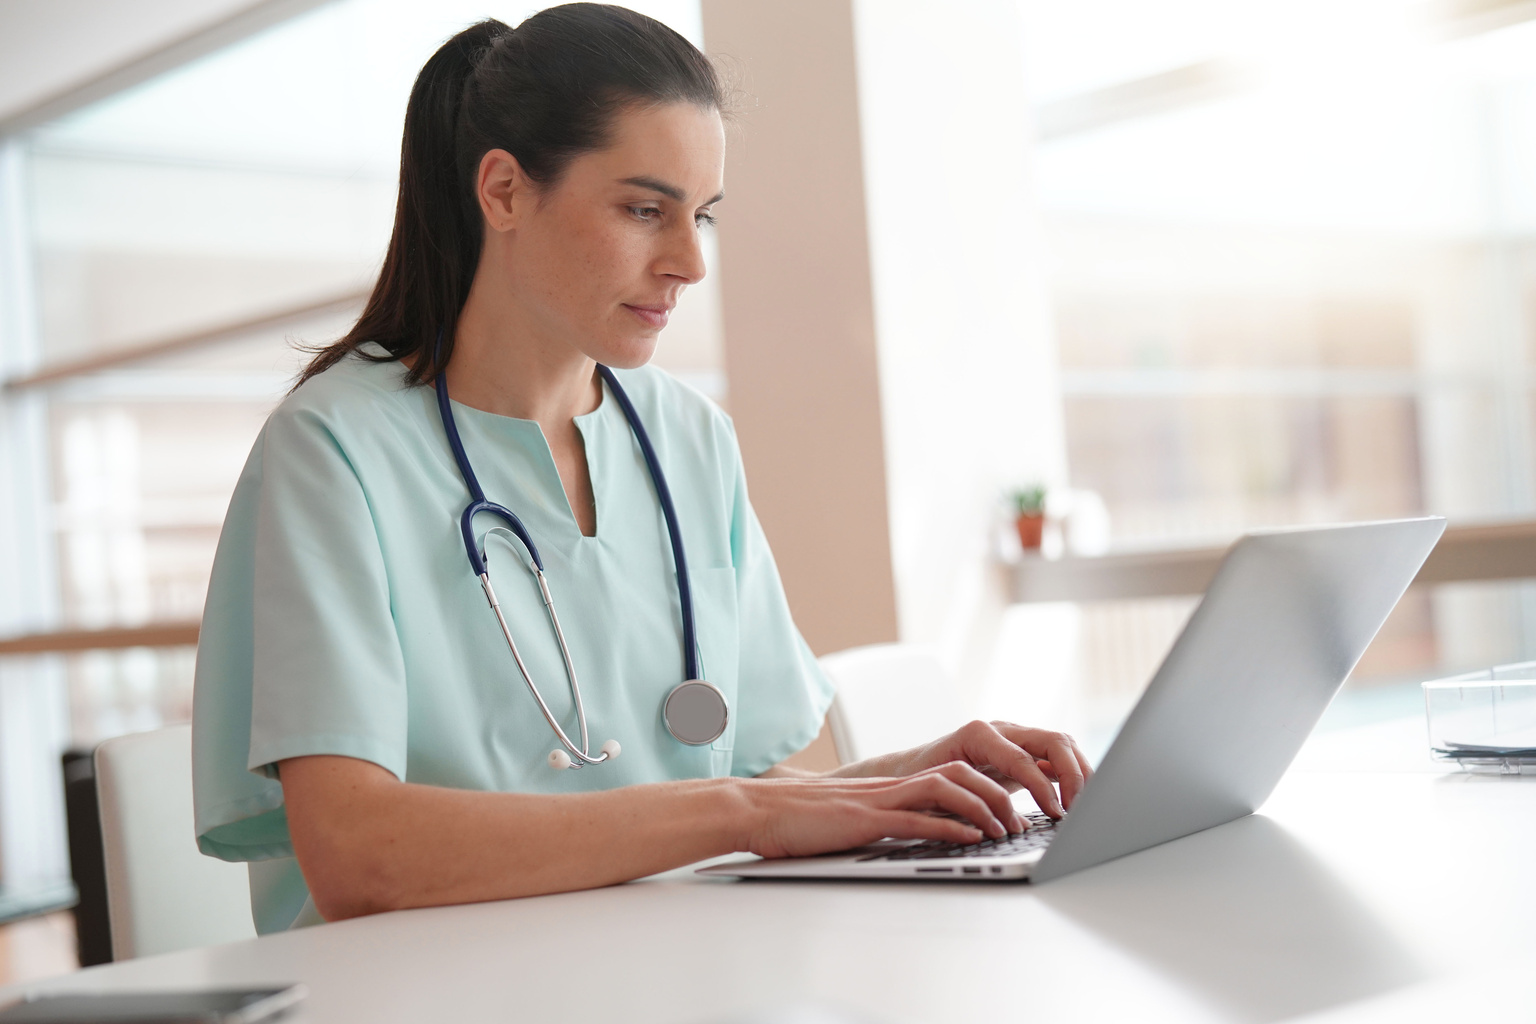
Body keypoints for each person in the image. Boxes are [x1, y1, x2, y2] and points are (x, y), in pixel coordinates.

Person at [191, 3, 1091, 934]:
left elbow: (737, 790)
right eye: (644, 209)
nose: (691, 261)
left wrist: (911, 780)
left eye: (700, 216)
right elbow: (357, 856)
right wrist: (744, 812)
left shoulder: (688, 438)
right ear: (501, 191)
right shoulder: (335, 447)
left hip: (660, 962)